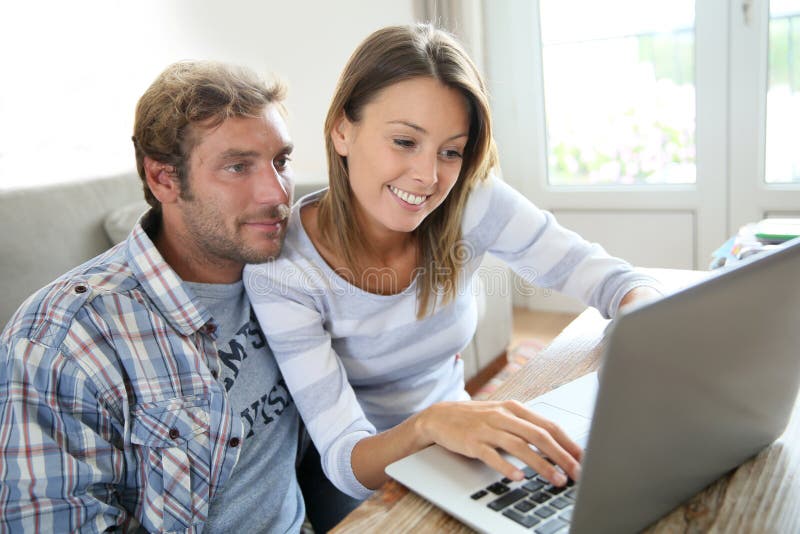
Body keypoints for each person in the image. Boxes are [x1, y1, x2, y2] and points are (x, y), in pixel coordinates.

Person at [244, 22, 662, 515]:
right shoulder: (283, 269)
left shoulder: (471, 203)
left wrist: (644, 329)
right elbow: (343, 460)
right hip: (367, 475)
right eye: (404, 141)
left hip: (462, 445)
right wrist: (430, 424)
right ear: (342, 130)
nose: (428, 176)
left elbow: (621, 281)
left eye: (451, 151)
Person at [0, 61, 304, 532]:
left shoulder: (290, 272)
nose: (276, 191)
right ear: (164, 179)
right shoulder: (59, 339)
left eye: (280, 162)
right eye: (237, 166)